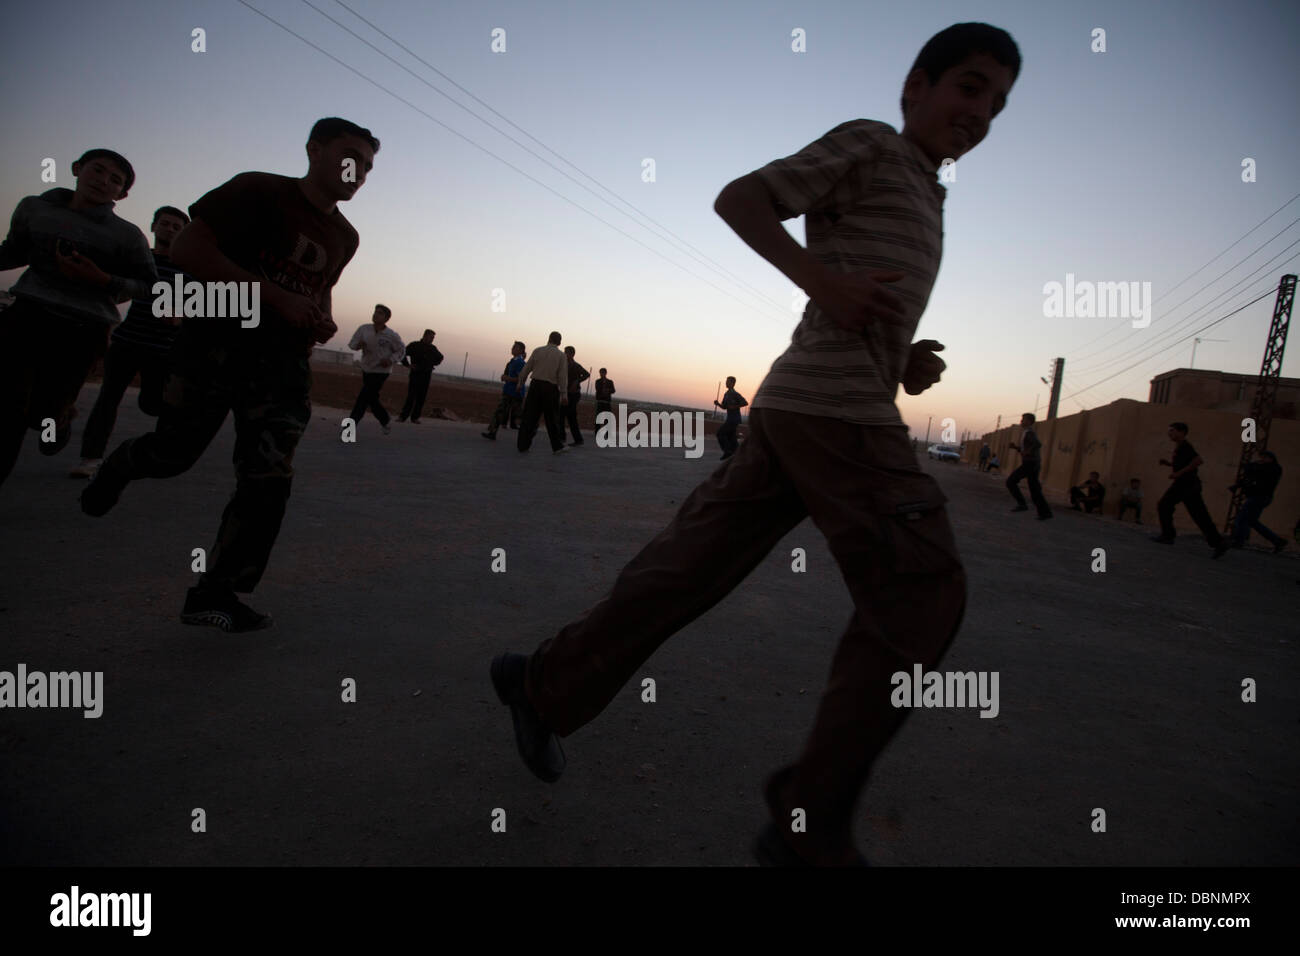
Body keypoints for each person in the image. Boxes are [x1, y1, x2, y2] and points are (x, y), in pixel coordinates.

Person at [489, 22, 1019, 866]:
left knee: (685, 571)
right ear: (916, 84)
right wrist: (825, 283)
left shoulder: (927, 187)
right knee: (921, 589)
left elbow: (855, 290)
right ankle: (806, 824)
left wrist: (904, 351)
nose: (981, 111)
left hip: (800, 406)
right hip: (835, 416)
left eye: (998, 102)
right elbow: (743, 198)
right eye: (969, 85)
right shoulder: (874, 144)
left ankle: (541, 684)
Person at [81, 117, 376, 631]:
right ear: (314, 150)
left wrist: (319, 316)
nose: (360, 171)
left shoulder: (345, 236)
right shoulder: (257, 190)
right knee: (173, 455)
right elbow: (191, 251)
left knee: (268, 477)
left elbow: (319, 285)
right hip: (213, 346)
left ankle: (215, 592)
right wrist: (272, 294)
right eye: (350, 156)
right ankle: (123, 463)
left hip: (281, 365)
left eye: (369, 166)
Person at [0, 148, 157, 486]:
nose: (102, 181)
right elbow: (13, 250)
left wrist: (103, 281)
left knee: (44, 414)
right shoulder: (35, 209)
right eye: (97, 170)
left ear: (123, 193)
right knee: (9, 405)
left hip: (82, 329)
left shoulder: (127, 236)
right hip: (28, 315)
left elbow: (148, 285)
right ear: (77, 169)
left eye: (114, 180)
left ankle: (58, 420)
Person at [72, 206, 190, 478]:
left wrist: (179, 318)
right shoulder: (139, 261)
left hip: (162, 350)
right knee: (107, 399)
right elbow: (114, 289)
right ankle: (90, 459)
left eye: (176, 226)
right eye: (165, 223)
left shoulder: (190, 270)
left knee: (152, 404)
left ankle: (158, 456)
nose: (169, 229)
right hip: (127, 342)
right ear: (153, 226)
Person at [1151, 422, 1229, 558]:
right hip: (1187, 484)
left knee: (1165, 505)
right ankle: (1218, 542)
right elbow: (1185, 463)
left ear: (1182, 432)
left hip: (1186, 484)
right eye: (1169, 431)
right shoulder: (1179, 447)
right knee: (1198, 514)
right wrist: (1169, 464)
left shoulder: (1185, 446)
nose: (1170, 433)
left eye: (1173, 431)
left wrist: (1178, 474)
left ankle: (1168, 535)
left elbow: (1198, 461)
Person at [348, 305, 404, 434]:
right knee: (371, 399)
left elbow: (401, 350)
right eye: (375, 312)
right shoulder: (364, 329)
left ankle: (348, 430)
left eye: (379, 313)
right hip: (367, 368)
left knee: (363, 398)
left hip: (381, 372)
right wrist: (358, 345)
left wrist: (390, 360)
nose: (375, 315)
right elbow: (352, 344)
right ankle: (385, 419)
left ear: (386, 318)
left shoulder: (391, 335)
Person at [516, 331, 568, 455]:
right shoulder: (561, 356)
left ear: (549, 339)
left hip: (535, 386)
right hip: (550, 389)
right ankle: (557, 447)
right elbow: (562, 376)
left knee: (529, 417)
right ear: (559, 342)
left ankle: (522, 445)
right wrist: (564, 394)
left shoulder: (537, 350)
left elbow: (526, 369)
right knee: (551, 419)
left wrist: (520, 384)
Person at [1229, 450, 1285, 551]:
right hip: (1257, 497)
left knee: (1242, 518)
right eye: (1261, 457)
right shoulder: (1261, 467)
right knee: (1252, 521)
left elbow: (1261, 476)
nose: (1262, 459)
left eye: (1264, 457)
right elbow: (1249, 476)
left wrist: (1255, 467)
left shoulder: (1274, 469)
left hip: (1260, 497)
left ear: (1270, 458)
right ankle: (1277, 541)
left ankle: (1238, 540)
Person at [1006, 412, 1052, 519]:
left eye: (1023, 420)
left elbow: (1037, 444)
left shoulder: (1029, 432)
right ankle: (1045, 513)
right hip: (1033, 463)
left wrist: (1028, 451)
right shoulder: (1026, 432)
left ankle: (1022, 504)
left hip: (1030, 463)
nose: (1021, 422)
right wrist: (1016, 448)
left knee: (1011, 481)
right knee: (1034, 489)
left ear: (1029, 422)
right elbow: (1026, 449)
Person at [482, 341, 527, 440]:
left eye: (515, 347)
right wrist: (505, 377)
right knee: (500, 411)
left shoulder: (520, 363)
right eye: (513, 347)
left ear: (520, 350)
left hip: (516, 393)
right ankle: (492, 432)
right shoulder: (512, 361)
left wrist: (507, 378)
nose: (512, 348)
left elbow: (521, 379)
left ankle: (530, 430)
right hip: (508, 391)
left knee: (519, 414)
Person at [397, 328, 443, 423]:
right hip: (415, 374)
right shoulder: (415, 345)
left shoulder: (432, 348)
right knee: (411, 396)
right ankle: (403, 416)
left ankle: (415, 417)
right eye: (431, 337)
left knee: (421, 397)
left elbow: (440, 357)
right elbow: (402, 353)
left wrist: (432, 364)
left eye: (433, 338)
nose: (432, 339)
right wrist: (407, 365)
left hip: (426, 375)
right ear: (425, 336)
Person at [713, 375, 748, 460]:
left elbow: (745, 402)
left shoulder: (735, 394)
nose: (726, 383)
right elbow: (724, 407)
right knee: (732, 438)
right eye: (726, 381)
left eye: (728, 381)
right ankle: (738, 455)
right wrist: (718, 404)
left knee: (720, 433)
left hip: (734, 419)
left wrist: (735, 407)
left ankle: (727, 451)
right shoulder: (726, 394)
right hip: (730, 419)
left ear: (733, 383)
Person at [562, 345, 590, 446]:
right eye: (564, 352)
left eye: (567, 352)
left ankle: (578, 440)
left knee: (571, 417)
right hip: (565, 393)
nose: (565, 354)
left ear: (572, 354)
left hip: (573, 395)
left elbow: (587, 374)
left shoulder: (576, 366)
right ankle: (562, 438)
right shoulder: (563, 365)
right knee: (561, 415)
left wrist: (577, 381)